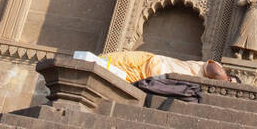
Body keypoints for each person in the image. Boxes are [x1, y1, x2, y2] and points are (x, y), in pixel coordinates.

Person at [99, 50, 230, 84]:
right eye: (231, 80)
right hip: (152, 61)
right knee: (109, 59)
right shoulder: (217, 68)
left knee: (109, 71)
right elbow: (214, 70)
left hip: (148, 77)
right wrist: (225, 81)